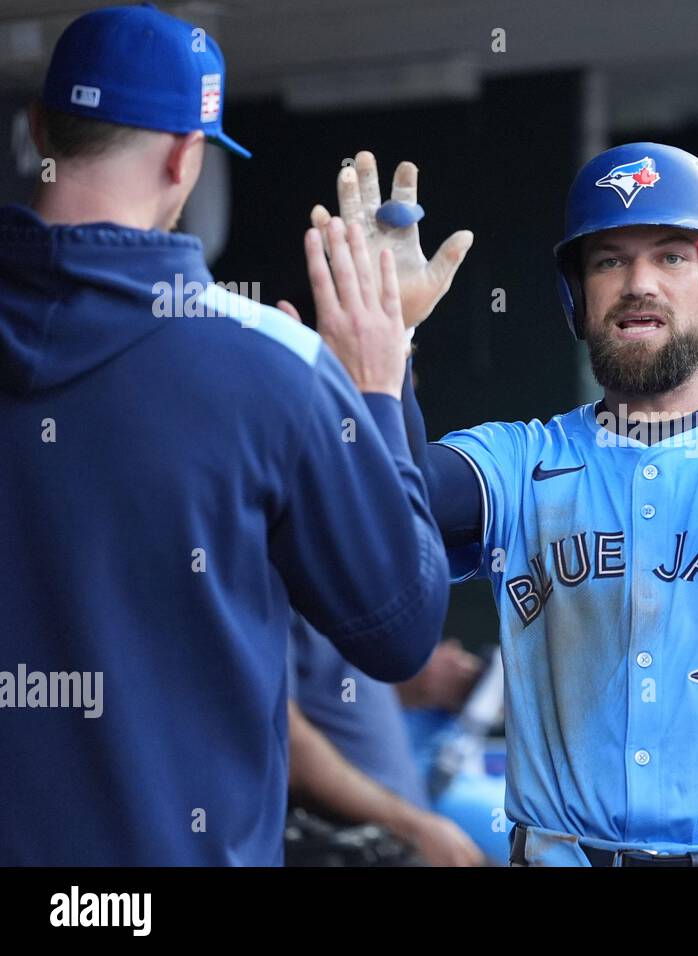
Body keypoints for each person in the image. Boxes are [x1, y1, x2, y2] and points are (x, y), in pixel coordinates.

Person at [310, 143, 698, 866]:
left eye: (671, 256)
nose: (639, 283)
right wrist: (388, 348)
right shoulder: (520, 460)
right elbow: (390, 497)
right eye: (609, 261)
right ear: (577, 294)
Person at [0, 4, 451, 865]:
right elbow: (399, 626)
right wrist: (377, 389)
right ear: (185, 155)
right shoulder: (271, 360)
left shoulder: (269, 360)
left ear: (36, 130)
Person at [286, 617, 484, 866]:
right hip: (360, 848)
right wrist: (414, 827)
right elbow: (286, 741)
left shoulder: (348, 619)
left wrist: (419, 677)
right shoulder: (283, 604)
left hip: (415, 843)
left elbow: (351, 705)